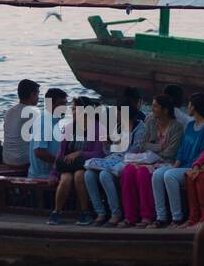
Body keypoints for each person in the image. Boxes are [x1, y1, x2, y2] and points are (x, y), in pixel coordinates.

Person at [150, 92, 204, 226]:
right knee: (157, 174)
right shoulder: (191, 125)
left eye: (190, 105)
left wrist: (187, 167)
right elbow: (181, 149)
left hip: (195, 166)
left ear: (195, 107)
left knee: (170, 175)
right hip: (183, 164)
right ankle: (161, 216)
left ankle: (177, 217)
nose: (188, 108)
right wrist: (176, 165)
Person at [118, 95, 183, 227]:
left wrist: (153, 150)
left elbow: (170, 152)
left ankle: (147, 216)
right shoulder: (150, 121)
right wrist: (159, 147)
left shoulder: (176, 127)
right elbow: (142, 145)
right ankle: (130, 216)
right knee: (128, 171)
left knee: (142, 173)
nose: (152, 109)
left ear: (165, 110)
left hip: (166, 162)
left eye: (155, 106)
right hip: (147, 159)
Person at [82, 93, 147, 227]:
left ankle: (116, 213)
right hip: (112, 159)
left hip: (128, 161)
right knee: (89, 174)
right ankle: (100, 212)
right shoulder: (117, 127)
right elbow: (108, 152)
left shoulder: (140, 128)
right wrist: (106, 143)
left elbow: (135, 150)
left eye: (117, 112)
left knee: (105, 174)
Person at [49, 97, 108, 225]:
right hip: (70, 164)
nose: (72, 112)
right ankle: (56, 212)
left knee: (79, 176)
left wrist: (79, 153)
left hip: (86, 164)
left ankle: (85, 212)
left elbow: (99, 153)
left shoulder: (98, 128)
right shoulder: (70, 127)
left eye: (74, 109)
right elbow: (61, 152)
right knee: (65, 179)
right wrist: (54, 172)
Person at [27, 87, 67, 179]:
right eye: (61, 104)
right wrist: (61, 163)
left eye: (65, 104)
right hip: (42, 178)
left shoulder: (53, 121)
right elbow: (39, 152)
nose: (65, 108)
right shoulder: (44, 122)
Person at [2, 79, 39, 166]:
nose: (38, 97)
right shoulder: (33, 112)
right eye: (37, 94)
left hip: (6, 159)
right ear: (32, 95)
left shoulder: (9, 112)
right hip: (23, 161)